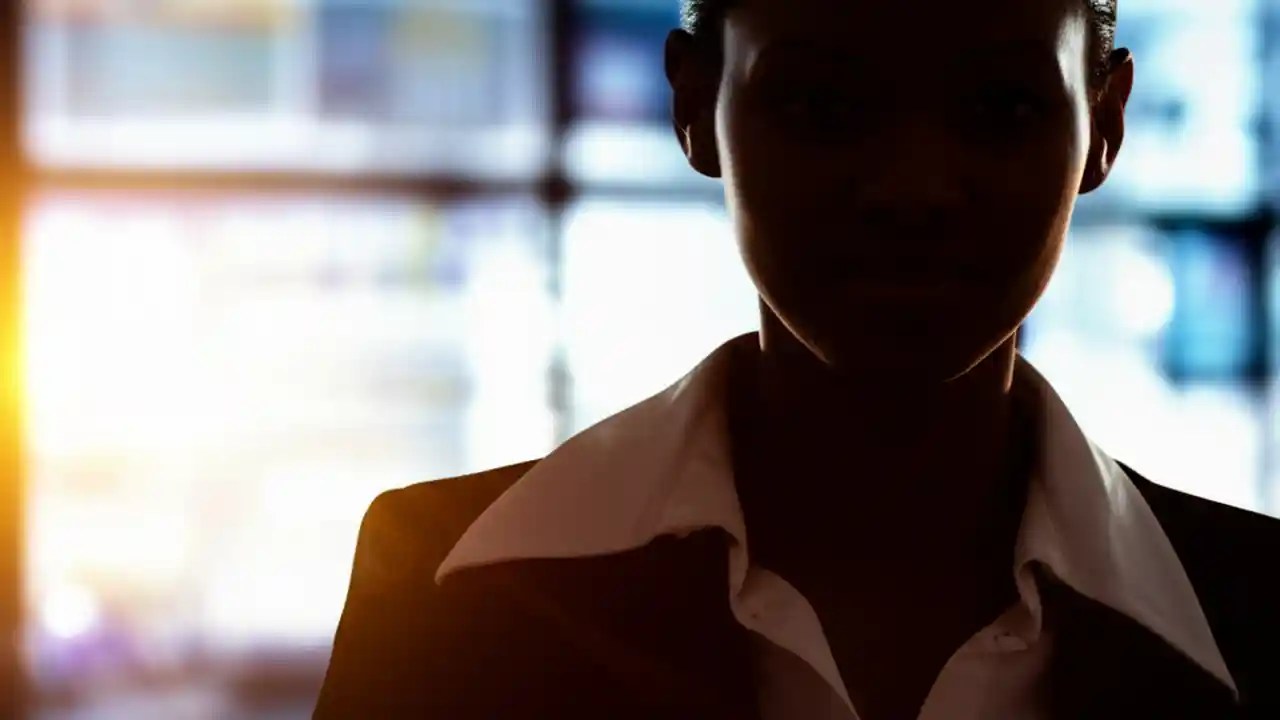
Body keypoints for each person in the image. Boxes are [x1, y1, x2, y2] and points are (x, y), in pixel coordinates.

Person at [315, 0, 1280, 717]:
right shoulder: (444, 600)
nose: (914, 190)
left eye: (1001, 108)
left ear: (1105, 122)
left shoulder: (1257, 615)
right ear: (694, 104)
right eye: (823, 104)